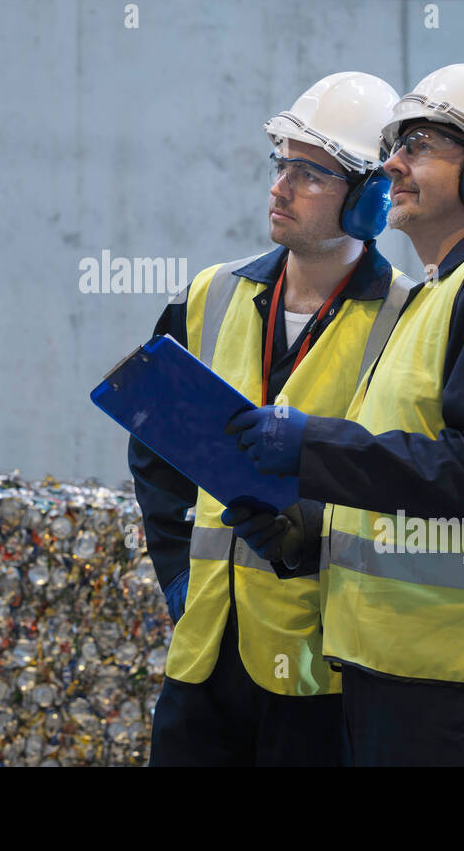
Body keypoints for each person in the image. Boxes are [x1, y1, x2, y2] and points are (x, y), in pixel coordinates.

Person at [226, 63, 464, 766]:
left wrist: (311, 448)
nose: (391, 163)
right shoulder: (437, 296)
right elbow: (415, 481)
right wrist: (312, 532)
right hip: (418, 674)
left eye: (418, 145)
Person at [127, 71, 413, 766]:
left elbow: (412, 486)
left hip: (320, 672)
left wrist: (316, 528)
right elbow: (156, 457)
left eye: (309, 171)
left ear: (370, 197)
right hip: (202, 659)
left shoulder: (409, 323)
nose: (280, 186)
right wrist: (178, 579)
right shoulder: (210, 295)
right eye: (280, 162)